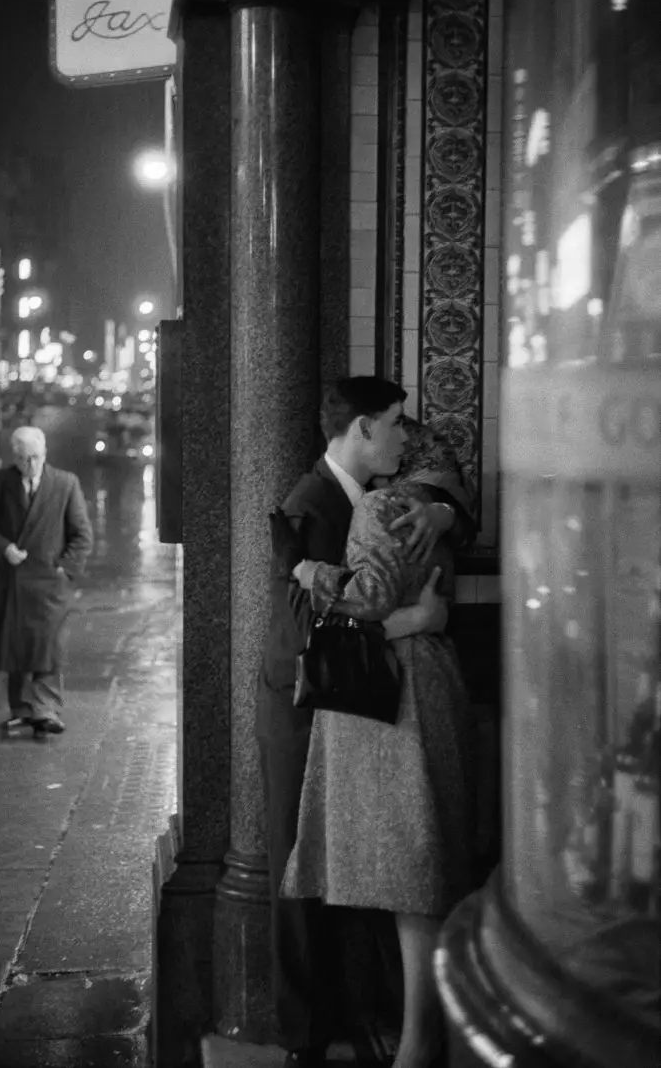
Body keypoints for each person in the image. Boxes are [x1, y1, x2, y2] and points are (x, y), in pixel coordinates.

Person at [258, 377, 475, 1067]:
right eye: (393, 423)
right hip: (306, 700)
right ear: (359, 430)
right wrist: (415, 620)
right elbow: (305, 636)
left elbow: (451, 504)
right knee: (303, 864)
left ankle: (374, 1015)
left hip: (374, 699)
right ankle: (304, 1035)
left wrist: (442, 513)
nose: (403, 435)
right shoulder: (305, 503)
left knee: (391, 863)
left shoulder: (391, 499)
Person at [0, 425, 93, 735]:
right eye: (24, 459)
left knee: (47, 646)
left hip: (49, 583)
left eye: (36, 457)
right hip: (11, 582)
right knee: (16, 647)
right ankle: (22, 708)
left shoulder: (65, 484)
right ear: (15, 457)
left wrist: (65, 568)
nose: (31, 465)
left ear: (45, 453)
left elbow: (81, 534)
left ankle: (45, 709)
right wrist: (3, 549)